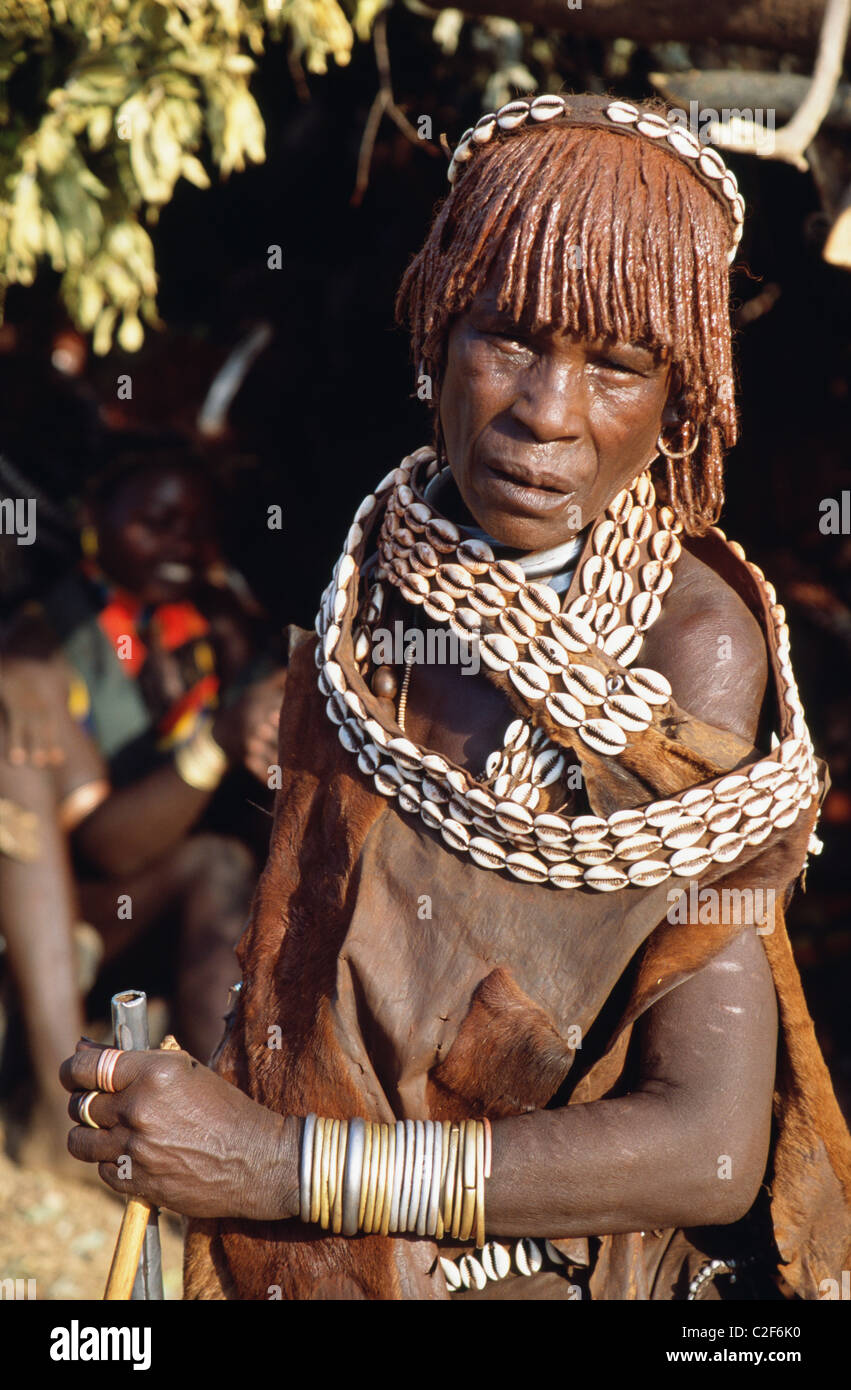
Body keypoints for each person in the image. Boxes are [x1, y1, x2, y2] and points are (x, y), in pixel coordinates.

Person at [61, 94, 851, 1300]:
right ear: (436, 331)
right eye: (511, 338)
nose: (546, 412)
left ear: (679, 402)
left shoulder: (685, 650)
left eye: (618, 366)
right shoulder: (379, 567)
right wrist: (202, 1113)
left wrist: (281, 1163)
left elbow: (707, 1148)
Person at [1, 445, 284, 1159]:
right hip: (75, 902)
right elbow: (108, 846)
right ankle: (62, 1113)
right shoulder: (45, 642)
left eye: (194, 525)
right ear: (95, 518)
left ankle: (220, 1135)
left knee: (223, 866)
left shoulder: (215, 632)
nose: (179, 543)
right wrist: (212, 743)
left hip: (169, 900)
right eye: (155, 521)